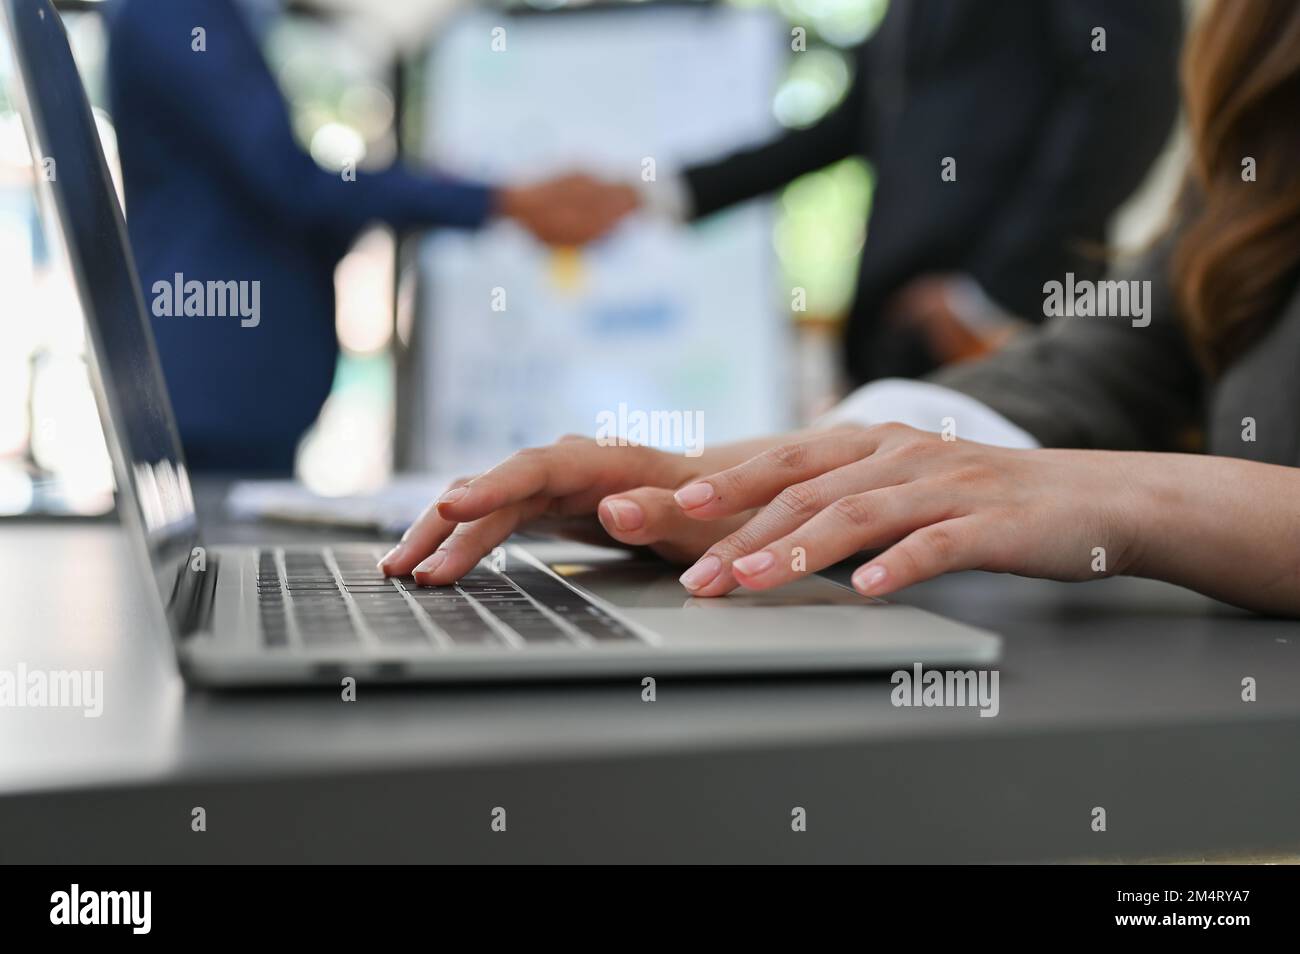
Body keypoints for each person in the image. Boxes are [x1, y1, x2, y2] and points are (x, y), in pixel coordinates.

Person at [381, 0, 1300, 618]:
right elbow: (1099, 362)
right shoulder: (1263, 155)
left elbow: (1120, 96)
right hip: (911, 319)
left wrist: (1116, 489)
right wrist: (708, 482)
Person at [106, 0, 632, 472]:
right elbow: (287, 182)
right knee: (212, 571)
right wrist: (500, 202)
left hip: (227, 382)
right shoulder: (178, 10)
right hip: (214, 382)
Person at [565, 0, 1183, 383]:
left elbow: (1131, 86)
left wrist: (992, 295)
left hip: (1011, 329)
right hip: (901, 332)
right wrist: (649, 194)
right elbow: (850, 122)